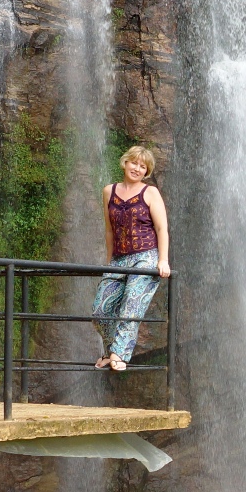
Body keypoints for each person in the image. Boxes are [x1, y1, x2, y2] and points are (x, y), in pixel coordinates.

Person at [92, 145, 172, 373]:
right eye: (134, 163)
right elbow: (109, 230)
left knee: (131, 305)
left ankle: (119, 355)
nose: (137, 168)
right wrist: (109, 262)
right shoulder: (109, 191)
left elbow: (161, 228)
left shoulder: (150, 193)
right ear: (125, 163)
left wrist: (163, 260)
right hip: (119, 259)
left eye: (143, 166)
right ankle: (111, 351)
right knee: (100, 311)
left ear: (147, 171)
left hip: (146, 257)